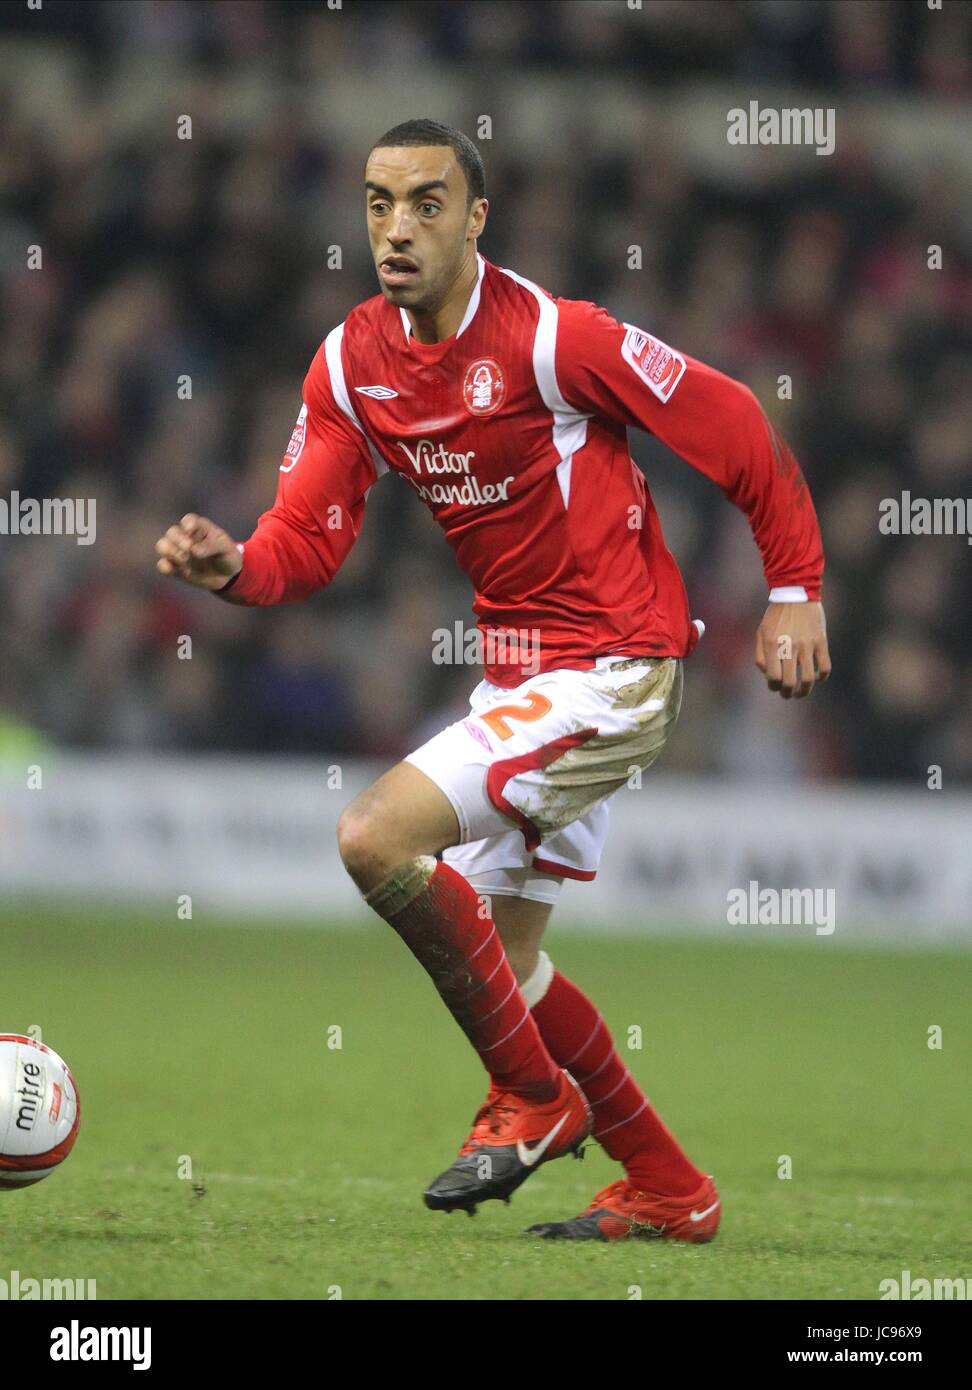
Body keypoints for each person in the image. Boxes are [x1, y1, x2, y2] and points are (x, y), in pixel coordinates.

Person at [155, 118, 830, 1242]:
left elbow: (733, 419)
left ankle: (532, 1098)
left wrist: (796, 584)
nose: (397, 227)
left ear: (476, 217)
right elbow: (305, 539)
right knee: (508, 968)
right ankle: (671, 1187)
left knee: (375, 839)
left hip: (613, 665)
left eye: (426, 202)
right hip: (522, 674)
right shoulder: (351, 364)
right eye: (377, 203)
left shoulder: (556, 340)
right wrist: (236, 566)